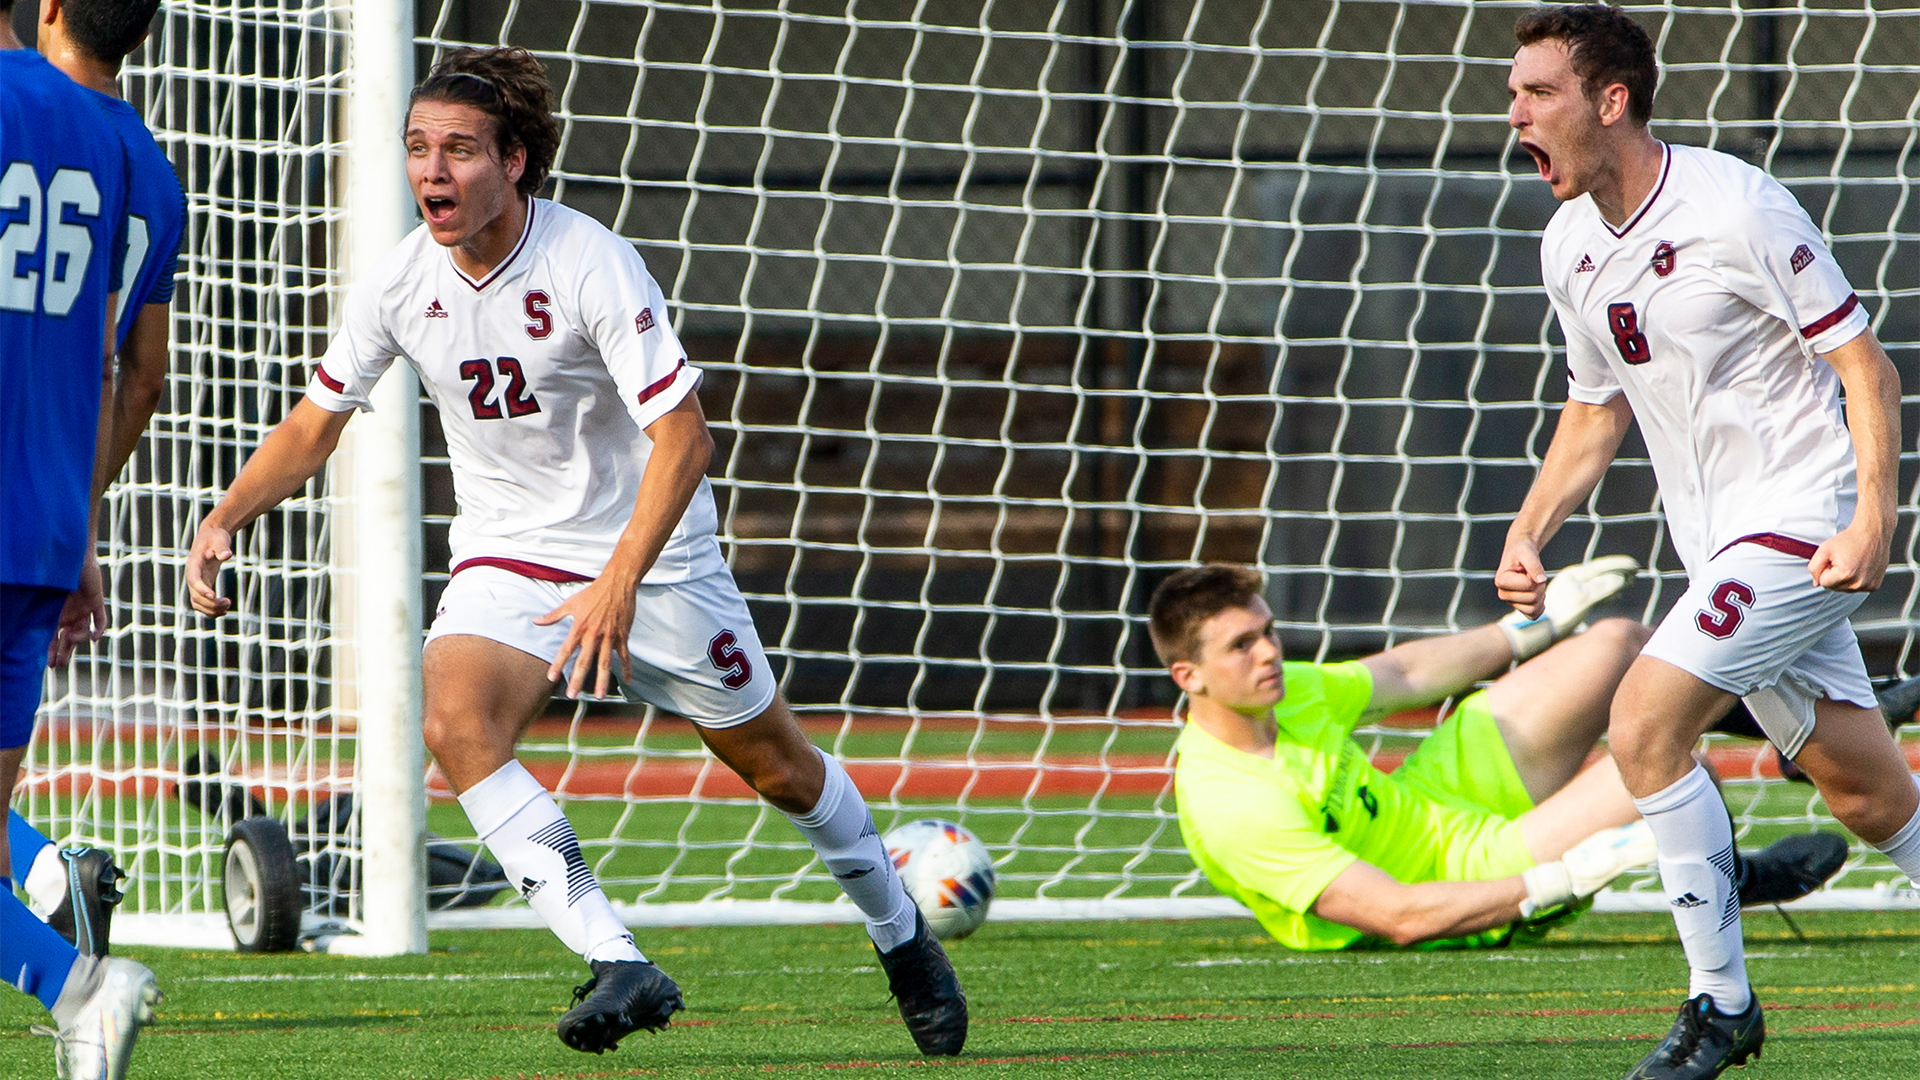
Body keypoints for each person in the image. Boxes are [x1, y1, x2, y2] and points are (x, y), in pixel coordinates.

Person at [183, 47, 967, 1058]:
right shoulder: (398, 278)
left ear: (515, 161)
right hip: (509, 553)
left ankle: (902, 938)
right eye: (419, 147)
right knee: (457, 720)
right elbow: (315, 422)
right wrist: (224, 515)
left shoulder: (588, 259)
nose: (433, 169)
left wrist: (619, 582)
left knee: (778, 770)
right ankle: (620, 960)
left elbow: (685, 438)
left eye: (460, 149)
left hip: (657, 550)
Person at [1500, 6, 1920, 1077]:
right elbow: (1595, 412)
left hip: (1802, 519)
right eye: (1514, 95)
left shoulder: (1734, 203)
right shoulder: (1567, 245)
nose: (1516, 117)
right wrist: (1529, 526)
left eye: (1537, 94)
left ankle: (1722, 1006)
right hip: (1719, 548)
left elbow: (1864, 368)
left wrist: (1874, 514)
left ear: (1612, 101)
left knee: (1644, 720)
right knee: (1870, 798)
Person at [1154, 560, 1851, 954]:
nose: (1270, 652)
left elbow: (1401, 674)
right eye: (1241, 646)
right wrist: (1560, 880)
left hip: (1437, 795)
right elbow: (1401, 915)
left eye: (1268, 632)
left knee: (1614, 643)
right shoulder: (1230, 804)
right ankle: (1734, 875)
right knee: (1674, 770)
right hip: (1463, 874)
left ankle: (1796, 733)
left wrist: (1524, 631)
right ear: (1190, 677)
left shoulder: (1286, 692)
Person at [7, 0, 186, 962]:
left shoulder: (16, 115)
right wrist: (77, 514)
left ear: (49, 9)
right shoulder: (148, 168)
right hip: (46, 502)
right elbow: (142, 372)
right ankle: (46, 889)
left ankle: (45, 893)